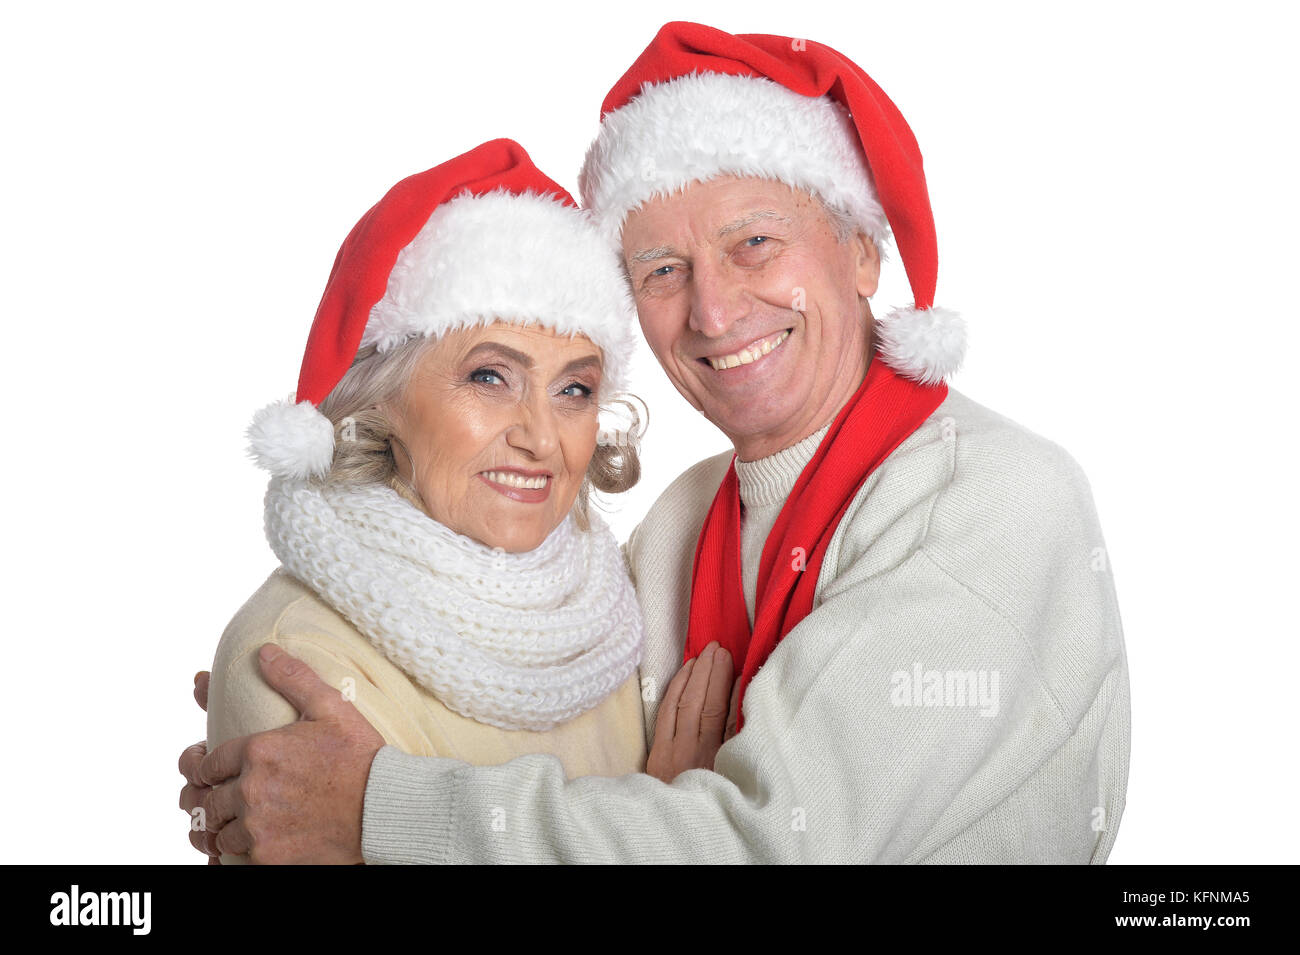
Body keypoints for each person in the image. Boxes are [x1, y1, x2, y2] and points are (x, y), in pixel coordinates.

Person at [181, 22, 1130, 864]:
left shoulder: (997, 499)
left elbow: (764, 847)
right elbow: (563, 759)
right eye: (663, 268)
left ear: (860, 247)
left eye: (754, 242)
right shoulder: (674, 528)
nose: (715, 310)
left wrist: (377, 810)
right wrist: (308, 708)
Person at [194, 137, 737, 864]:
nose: (542, 438)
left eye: (574, 389)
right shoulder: (299, 657)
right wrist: (666, 821)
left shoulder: (613, 621)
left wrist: (661, 826)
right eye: (489, 377)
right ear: (382, 396)